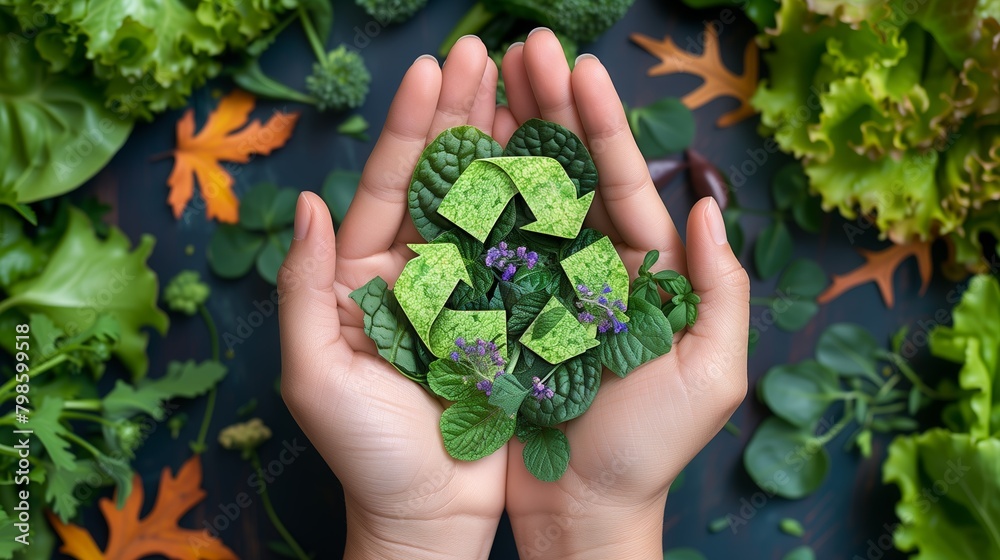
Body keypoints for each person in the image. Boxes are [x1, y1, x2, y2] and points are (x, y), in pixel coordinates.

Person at [277, 29, 750, 560]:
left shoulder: (568, 289)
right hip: (494, 311)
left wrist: (414, 535)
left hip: (525, 311)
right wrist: (604, 522)